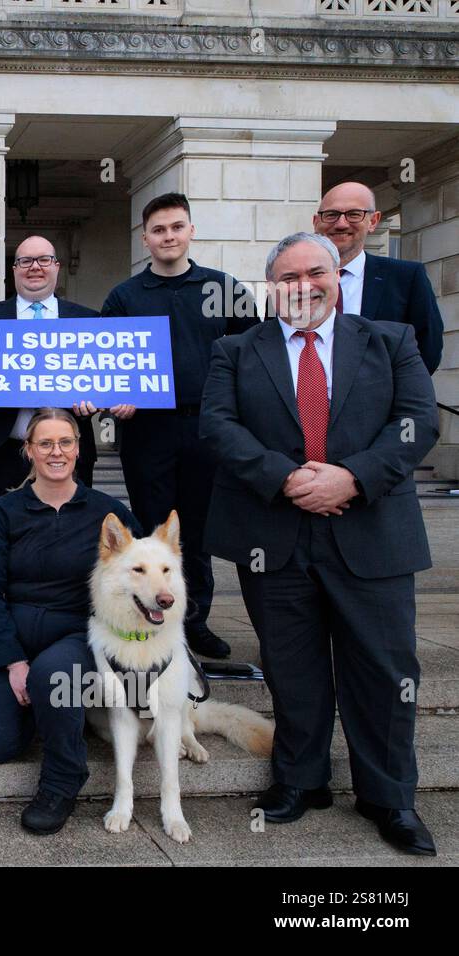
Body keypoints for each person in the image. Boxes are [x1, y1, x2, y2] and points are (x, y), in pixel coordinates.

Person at [200, 232, 438, 856]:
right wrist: (285, 478)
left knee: (384, 672)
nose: (302, 285)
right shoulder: (234, 350)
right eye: (287, 276)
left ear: (337, 277)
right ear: (271, 286)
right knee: (291, 666)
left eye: (315, 272)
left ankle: (389, 797)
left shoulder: (391, 341)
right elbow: (218, 427)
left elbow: (417, 422)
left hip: (372, 533)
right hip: (273, 540)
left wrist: (351, 477)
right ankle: (301, 781)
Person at [100, 193, 258, 660]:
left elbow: (254, 354)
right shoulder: (124, 296)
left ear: (190, 231)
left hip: (207, 428)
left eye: (176, 227)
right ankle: (153, 614)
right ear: (145, 238)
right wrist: (114, 399)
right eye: (158, 230)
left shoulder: (223, 288)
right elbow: (106, 362)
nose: (168, 236)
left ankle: (194, 621)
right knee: (154, 529)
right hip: (147, 431)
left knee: (198, 530)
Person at [0, 408, 140, 835]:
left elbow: (138, 575)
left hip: (74, 632)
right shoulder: (2, 512)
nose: (56, 452)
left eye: (65, 442)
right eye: (44, 443)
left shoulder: (108, 514)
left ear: (79, 449)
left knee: (53, 675)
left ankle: (62, 779)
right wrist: (11, 661)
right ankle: (47, 709)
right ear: (28, 451)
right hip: (13, 633)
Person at [0, 236, 101, 498]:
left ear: (57, 266)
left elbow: (100, 377)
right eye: (25, 261)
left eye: (44, 260)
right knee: (13, 531)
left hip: (70, 450)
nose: (34, 266)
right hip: (9, 451)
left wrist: (94, 402)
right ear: (14, 269)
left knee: (71, 529)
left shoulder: (87, 319)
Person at [312, 181, 444, 374]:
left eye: (354, 214)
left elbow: (427, 349)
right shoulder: (290, 280)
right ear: (316, 222)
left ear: (373, 221)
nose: (341, 224)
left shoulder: (406, 278)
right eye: (331, 215)